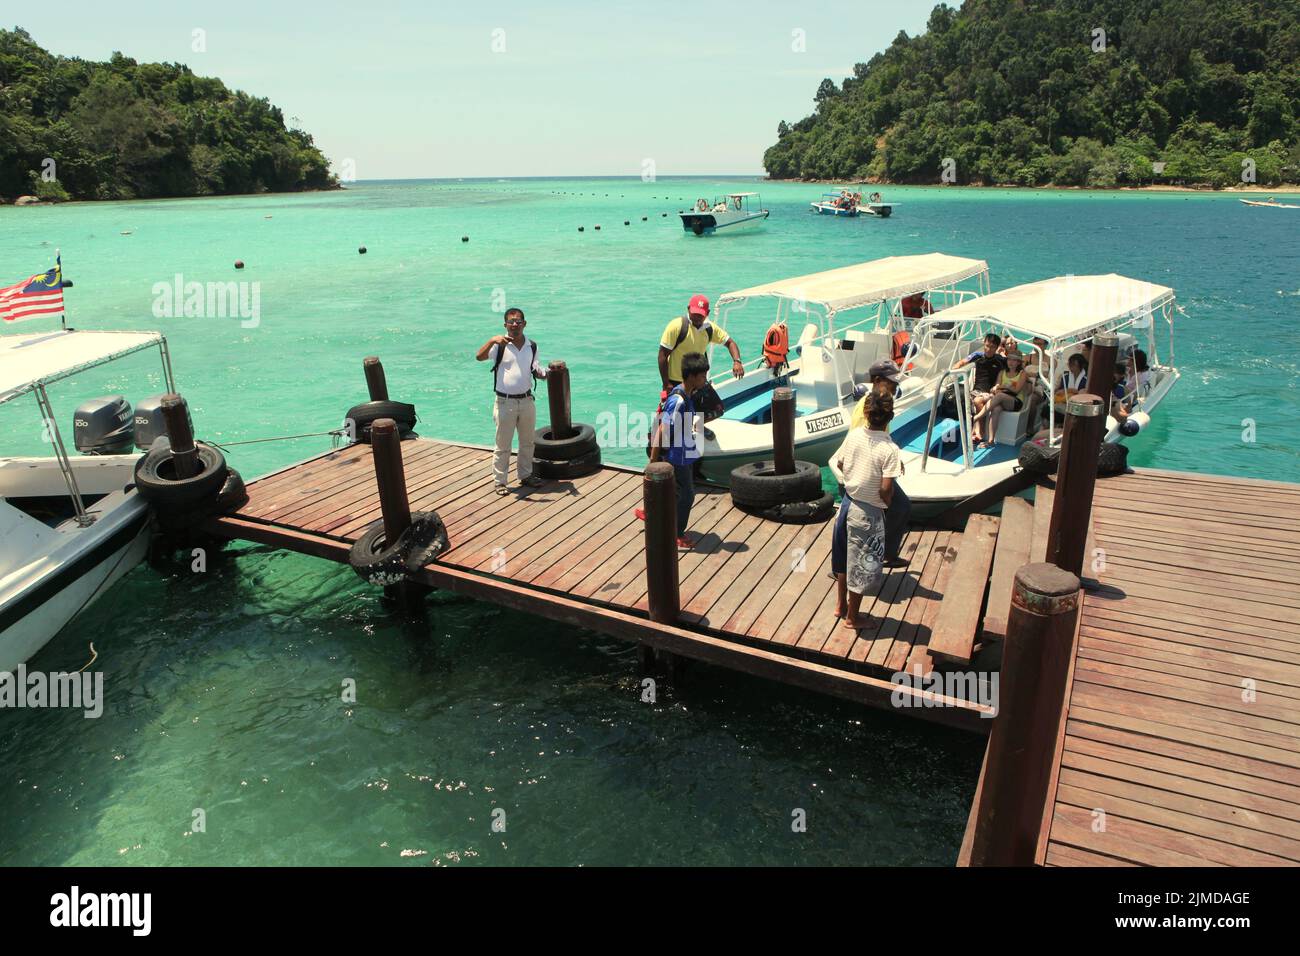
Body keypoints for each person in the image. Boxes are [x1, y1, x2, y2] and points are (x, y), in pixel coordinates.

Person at [830, 394, 899, 630]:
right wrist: (887, 504)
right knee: (860, 564)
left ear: (866, 414)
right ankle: (853, 616)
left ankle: (840, 605)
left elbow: (840, 463)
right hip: (866, 512)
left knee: (842, 558)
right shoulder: (890, 449)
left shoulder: (855, 435)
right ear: (890, 417)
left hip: (847, 504)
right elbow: (886, 489)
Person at [476, 307, 549, 495]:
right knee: (503, 445)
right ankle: (500, 482)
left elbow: (535, 369)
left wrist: (547, 374)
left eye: (518, 321)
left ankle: (525, 476)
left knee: (527, 442)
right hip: (504, 402)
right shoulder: (499, 345)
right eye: (511, 322)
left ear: (524, 324)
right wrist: (492, 339)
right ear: (505, 325)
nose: (515, 325)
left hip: (526, 401)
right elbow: (479, 357)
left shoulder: (531, 346)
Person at [648, 352, 710, 549]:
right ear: (691, 376)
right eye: (702, 376)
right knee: (688, 495)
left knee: (677, 494)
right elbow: (663, 429)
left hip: (686, 454)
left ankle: (656, 515)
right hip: (677, 457)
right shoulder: (679, 400)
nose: (705, 380)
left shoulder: (687, 393)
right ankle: (676, 534)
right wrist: (653, 463)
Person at [658, 294, 744, 389]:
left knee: (718, 404)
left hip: (699, 381)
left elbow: (730, 343)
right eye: (694, 313)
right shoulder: (676, 326)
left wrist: (737, 361)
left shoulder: (709, 328)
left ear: (707, 313)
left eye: (700, 314)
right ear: (688, 309)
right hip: (677, 382)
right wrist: (666, 384)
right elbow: (663, 355)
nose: (697, 317)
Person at [952, 333, 1006, 444]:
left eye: (992, 347)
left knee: (977, 401)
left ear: (997, 348)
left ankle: (979, 432)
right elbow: (962, 362)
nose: (988, 349)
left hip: (992, 393)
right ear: (984, 344)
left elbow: (1014, 368)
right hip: (977, 390)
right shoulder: (977, 355)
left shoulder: (1001, 360)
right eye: (986, 346)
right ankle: (971, 430)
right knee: (961, 398)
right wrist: (954, 370)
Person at [972, 348, 1028, 448]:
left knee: (1000, 396)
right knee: (996, 408)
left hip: (1015, 401)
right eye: (1009, 359)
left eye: (1014, 360)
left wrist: (1004, 387)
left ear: (1018, 362)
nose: (1011, 362)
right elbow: (996, 387)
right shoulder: (1002, 372)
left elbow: (1016, 390)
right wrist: (998, 388)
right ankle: (990, 441)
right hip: (1001, 397)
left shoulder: (1022, 374)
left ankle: (977, 417)